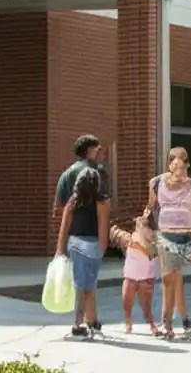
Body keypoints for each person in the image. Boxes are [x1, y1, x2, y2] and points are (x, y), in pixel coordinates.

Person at [145, 147, 191, 340]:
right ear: (169, 164)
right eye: (176, 164)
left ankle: (186, 320)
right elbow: (151, 208)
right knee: (168, 280)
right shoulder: (156, 183)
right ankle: (167, 324)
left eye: (184, 164)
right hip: (166, 236)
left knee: (176, 279)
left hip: (186, 237)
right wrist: (146, 232)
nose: (180, 170)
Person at [55, 135, 111, 338]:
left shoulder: (67, 174)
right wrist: (104, 243)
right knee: (86, 284)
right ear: (90, 150)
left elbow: (61, 209)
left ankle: (91, 320)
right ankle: (82, 323)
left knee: (83, 281)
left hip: (74, 239)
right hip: (93, 239)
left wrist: (60, 247)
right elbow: (103, 210)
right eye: (98, 149)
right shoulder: (99, 173)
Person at [110, 212, 160, 335]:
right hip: (131, 275)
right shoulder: (131, 238)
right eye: (142, 229)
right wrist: (114, 230)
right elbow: (118, 235)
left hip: (147, 277)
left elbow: (151, 253)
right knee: (127, 300)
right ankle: (128, 322)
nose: (147, 233)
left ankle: (151, 323)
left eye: (148, 231)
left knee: (146, 304)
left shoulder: (154, 244)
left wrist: (140, 245)